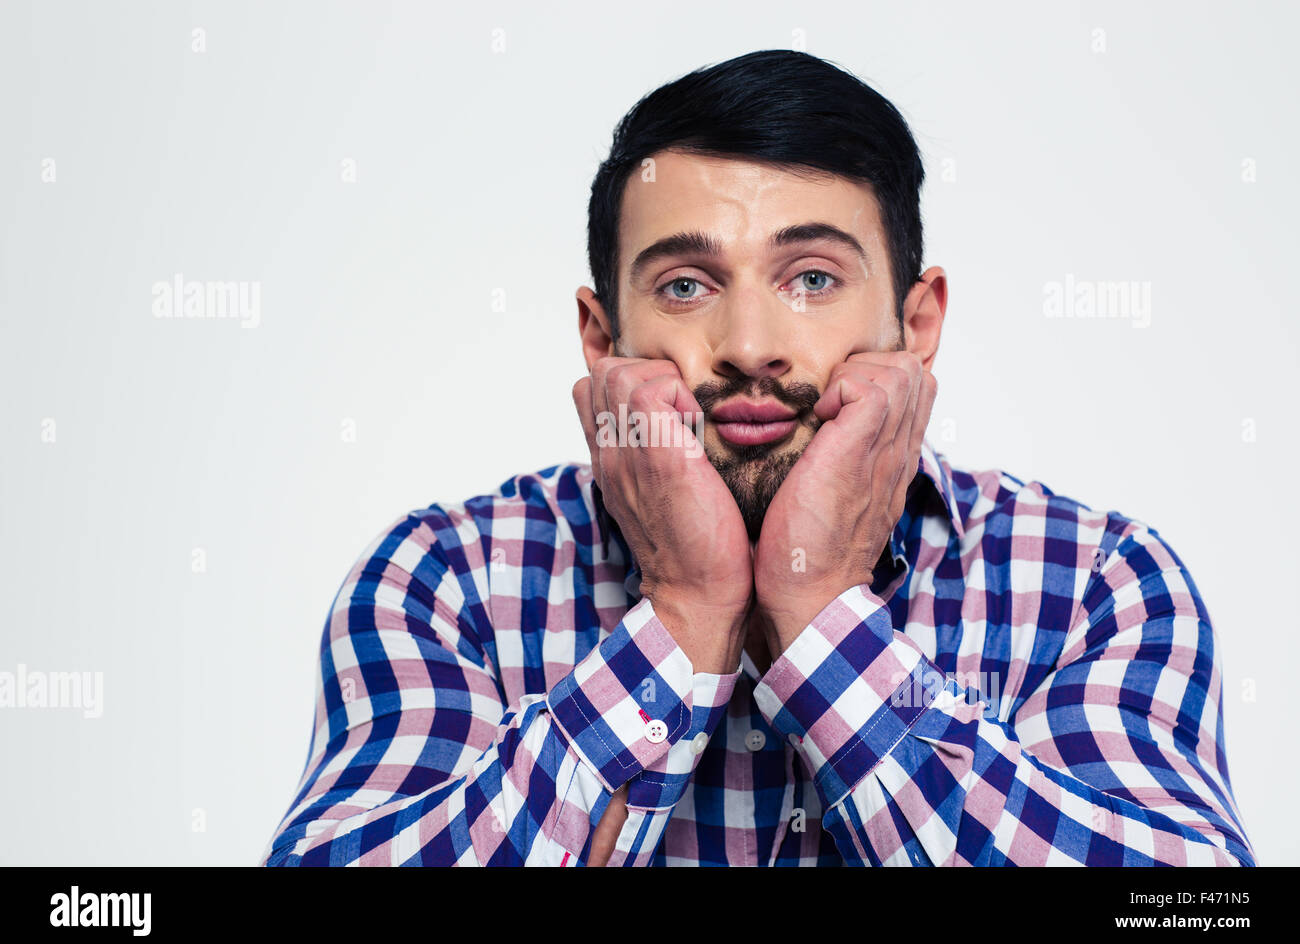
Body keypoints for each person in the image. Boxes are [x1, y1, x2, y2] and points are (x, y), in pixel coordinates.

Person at [260, 49, 1254, 866]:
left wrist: (819, 607)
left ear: (916, 326)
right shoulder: (444, 581)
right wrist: (686, 612)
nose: (747, 343)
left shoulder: (1097, 582)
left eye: (812, 277)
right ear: (603, 341)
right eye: (687, 285)